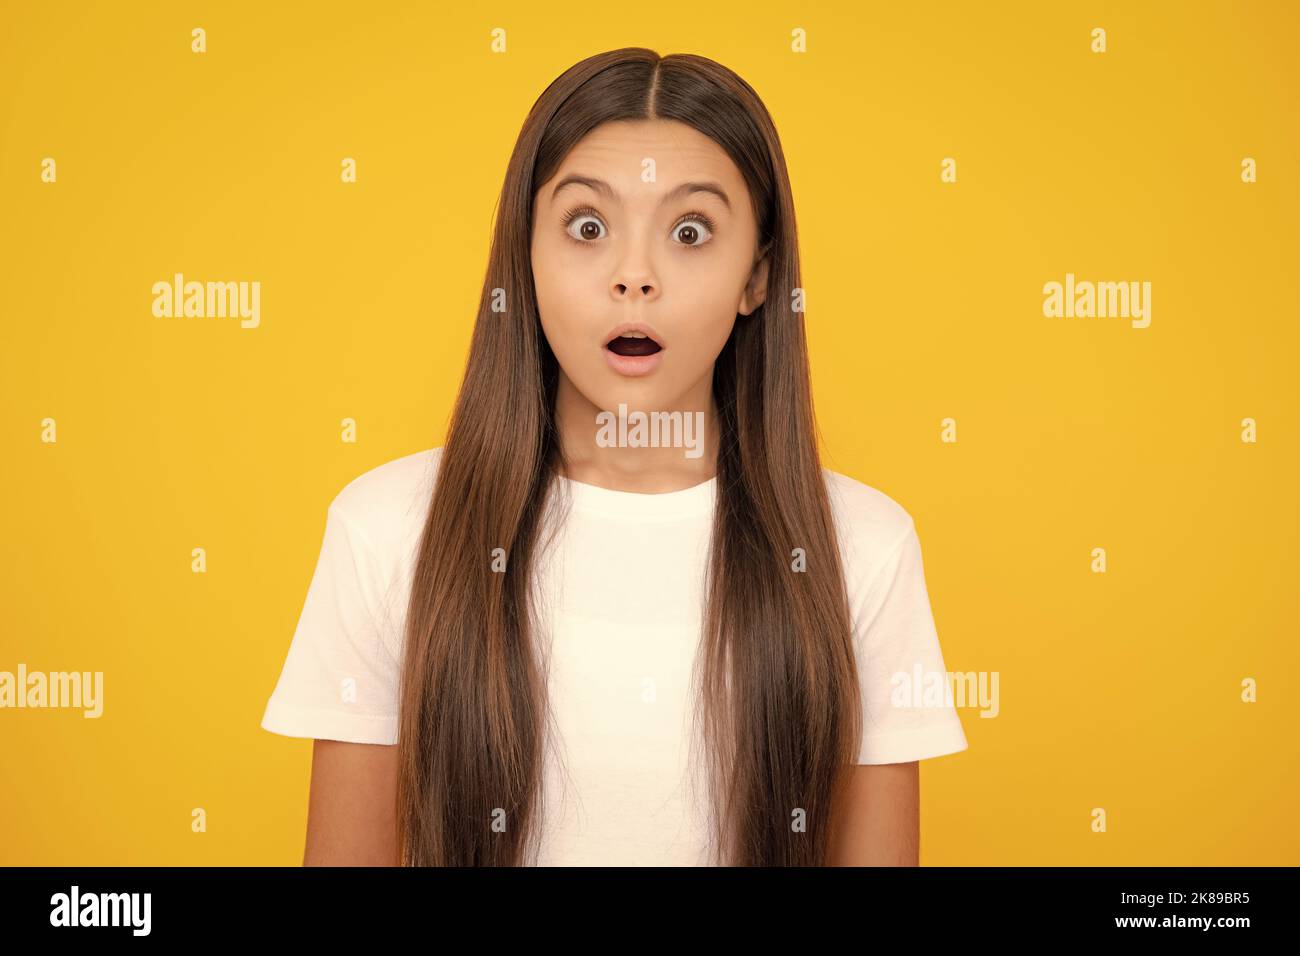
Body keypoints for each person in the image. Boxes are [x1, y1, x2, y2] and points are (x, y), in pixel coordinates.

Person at [260, 47, 967, 866]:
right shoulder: (383, 533)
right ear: (525, 257)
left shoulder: (865, 548)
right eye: (588, 228)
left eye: (691, 231)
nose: (635, 276)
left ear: (758, 278)